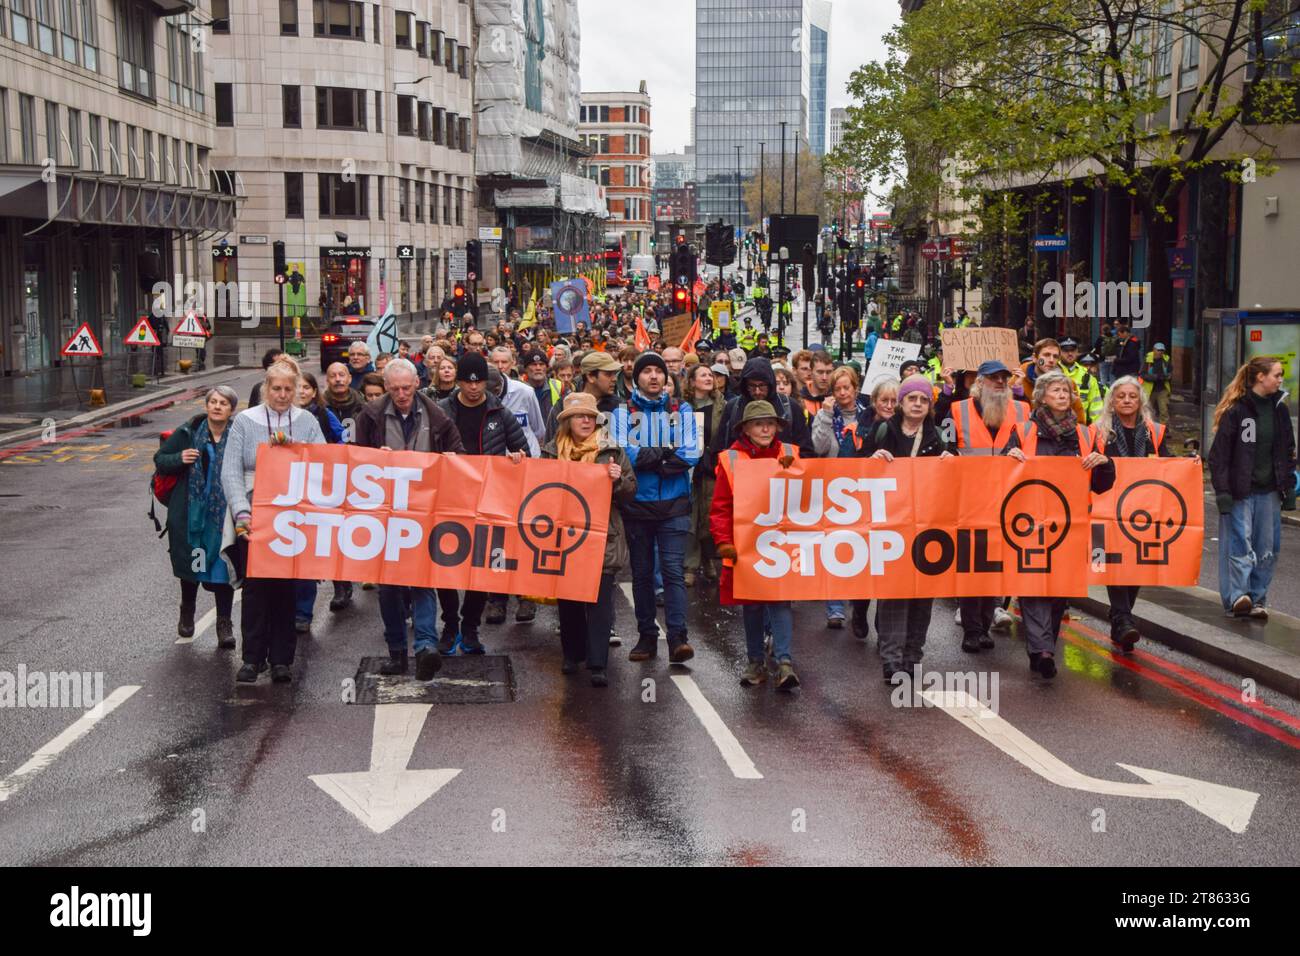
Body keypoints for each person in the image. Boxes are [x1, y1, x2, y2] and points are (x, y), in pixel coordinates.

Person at [356, 358, 465, 677]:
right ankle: (397, 653)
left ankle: (426, 647)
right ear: (386, 388)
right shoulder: (371, 415)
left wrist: (451, 459)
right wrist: (374, 459)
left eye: (406, 387)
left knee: (422, 580)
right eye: (395, 389)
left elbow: (459, 454)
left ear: (417, 383)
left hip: (424, 511)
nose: (401, 394)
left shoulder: (438, 416)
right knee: (389, 587)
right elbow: (354, 459)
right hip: (385, 514)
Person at [221, 358, 327, 684]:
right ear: (266, 388)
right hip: (254, 513)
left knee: (285, 588)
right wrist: (241, 512)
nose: (282, 395)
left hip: (291, 516)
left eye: (288, 389)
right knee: (255, 589)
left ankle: (282, 659)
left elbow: (323, 463)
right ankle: (252, 658)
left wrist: (296, 447)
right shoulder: (244, 422)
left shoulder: (306, 421)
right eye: (276, 388)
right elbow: (231, 470)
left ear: (297, 391)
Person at [1004, 371, 1115, 677]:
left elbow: (1103, 483)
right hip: (1030, 522)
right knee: (1033, 585)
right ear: (1040, 397)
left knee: (1059, 590)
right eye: (1055, 390)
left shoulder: (1085, 434)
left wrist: (1104, 463)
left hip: (1070, 524)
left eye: (1066, 390)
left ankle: (1045, 645)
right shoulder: (1024, 430)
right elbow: (1001, 474)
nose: (1063, 395)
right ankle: (1042, 650)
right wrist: (1009, 457)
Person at [436, 352, 530, 654]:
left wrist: (517, 457)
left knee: (479, 567)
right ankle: (450, 625)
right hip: (450, 500)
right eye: (467, 382)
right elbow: (427, 452)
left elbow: (523, 452)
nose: (473, 388)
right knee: (446, 567)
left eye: (478, 382)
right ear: (459, 382)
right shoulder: (442, 411)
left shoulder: (500, 413)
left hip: (488, 501)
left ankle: (470, 628)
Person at [610, 351, 701, 663]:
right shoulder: (623, 412)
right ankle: (647, 636)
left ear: (666, 378)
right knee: (643, 574)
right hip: (638, 506)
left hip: (674, 505)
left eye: (658, 371)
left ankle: (678, 638)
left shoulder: (682, 409)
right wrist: (664, 453)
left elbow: (691, 452)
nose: (653, 376)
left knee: (673, 572)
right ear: (636, 378)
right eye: (646, 371)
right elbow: (625, 454)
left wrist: (655, 460)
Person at [862, 376, 955, 677]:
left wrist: (949, 460)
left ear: (929, 406)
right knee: (892, 596)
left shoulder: (939, 438)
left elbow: (957, 478)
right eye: (912, 398)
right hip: (891, 528)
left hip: (927, 529)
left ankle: (912, 658)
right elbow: (855, 470)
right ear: (901, 402)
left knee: (921, 598)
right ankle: (891, 660)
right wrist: (871, 459)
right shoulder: (882, 432)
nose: (917, 404)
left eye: (923, 400)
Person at [544, 392, 636, 687]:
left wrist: (617, 479)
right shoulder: (550, 452)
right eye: (578, 416)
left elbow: (631, 490)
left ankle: (598, 663)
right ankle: (572, 654)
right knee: (569, 598)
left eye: (590, 416)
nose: (585, 420)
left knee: (599, 599)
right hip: (564, 536)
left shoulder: (611, 451)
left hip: (602, 535)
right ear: (567, 421)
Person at [710, 400, 801, 690]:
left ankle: (785, 662)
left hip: (781, 541)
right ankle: (756, 662)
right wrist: (724, 542)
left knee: (780, 600)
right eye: (759, 423)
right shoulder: (731, 459)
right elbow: (721, 507)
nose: (765, 428)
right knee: (750, 605)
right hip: (746, 543)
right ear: (746, 428)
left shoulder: (790, 454)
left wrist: (795, 473)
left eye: (770, 423)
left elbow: (809, 498)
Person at [943, 360, 1030, 650]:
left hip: (1007, 502)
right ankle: (972, 629)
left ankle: (985, 626)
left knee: (994, 568)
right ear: (979, 382)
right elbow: (944, 447)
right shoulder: (957, 410)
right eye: (994, 379)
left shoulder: (1022, 410)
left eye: (1004, 379)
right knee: (971, 569)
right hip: (969, 501)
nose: (1000, 383)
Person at [1209, 357, 1296, 618]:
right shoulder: (1237, 410)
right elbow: (1219, 456)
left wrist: (1289, 486)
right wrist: (1223, 492)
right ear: (1261, 377)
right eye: (1277, 375)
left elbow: (1288, 451)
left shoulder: (1279, 409)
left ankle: (1258, 599)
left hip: (1270, 490)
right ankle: (1238, 597)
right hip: (1239, 490)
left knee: (1267, 549)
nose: (1281, 380)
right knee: (1239, 544)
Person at [155, 385, 240, 648]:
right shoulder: (188, 432)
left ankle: (224, 623)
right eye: (213, 402)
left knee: (222, 567)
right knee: (194, 567)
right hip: (193, 517)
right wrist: (179, 457)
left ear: (231, 409)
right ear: (206, 406)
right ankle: (188, 610)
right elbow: (160, 460)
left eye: (223, 403)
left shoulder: (238, 434)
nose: (216, 406)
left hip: (223, 517)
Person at [1094, 377, 1172, 652]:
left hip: (1143, 510)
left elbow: (1169, 465)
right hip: (1107, 509)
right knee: (1113, 562)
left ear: (1140, 401)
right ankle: (1124, 619)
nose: (1127, 400)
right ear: (1112, 402)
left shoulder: (1156, 432)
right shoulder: (1099, 433)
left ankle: (1119, 619)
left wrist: (1190, 464)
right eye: (1121, 396)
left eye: (1132, 396)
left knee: (1137, 564)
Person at [713, 356, 814, 460]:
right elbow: (719, 448)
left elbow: (806, 450)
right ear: (744, 385)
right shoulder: (733, 407)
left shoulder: (789, 406)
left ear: (770, 384)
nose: (757, 391)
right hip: (742, 473)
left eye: (762, 386)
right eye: (752, 386)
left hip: (783, 473)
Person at [683, 363, 726, 587]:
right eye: (703, 375)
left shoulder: (722, 406)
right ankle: (690, 564)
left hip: (712, 468)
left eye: (711, 375)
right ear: (692, 382)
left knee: (709, 515)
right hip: (690, 468)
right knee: (691, 516)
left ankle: (708, 558)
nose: (709, 378)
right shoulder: (683, 407)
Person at [545, 350, 621, 440]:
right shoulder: (565, 404)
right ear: (590, 377)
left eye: (614, 374)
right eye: (608, 374)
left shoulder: (618, 406)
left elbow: (625, 446)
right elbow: (551, 444)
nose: (614, 379)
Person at [1059, 337, 1103, 423]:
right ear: (1059, 352)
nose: (1070, 353)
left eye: (1073, 350)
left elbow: (1096, 408)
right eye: (1066, 351)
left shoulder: (1087, 376)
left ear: (1077, 352)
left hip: (1080, 426)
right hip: (1055, 427)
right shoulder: (1052, 372)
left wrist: (1097, 430)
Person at [323, 361, 365, 433]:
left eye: (341, 375)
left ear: (349, 379)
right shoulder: (321, 406)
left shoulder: (362, 404)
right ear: (327, 381)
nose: (338, 379)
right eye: (333, 376)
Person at [1143, 341, 1173, 423]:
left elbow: (1170, 374)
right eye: (1158, 350)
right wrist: (1154, 377)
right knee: (1148, 411)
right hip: (1149, 390)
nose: (1160, 352)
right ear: (1154, 350)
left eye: (1162, 350)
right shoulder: (1147, 359)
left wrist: (1163, 377)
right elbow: (1142, 374)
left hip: (1162, 389)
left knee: (1164, 411)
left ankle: (1164, 430)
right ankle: (1147, 429)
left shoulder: (1166, 360)